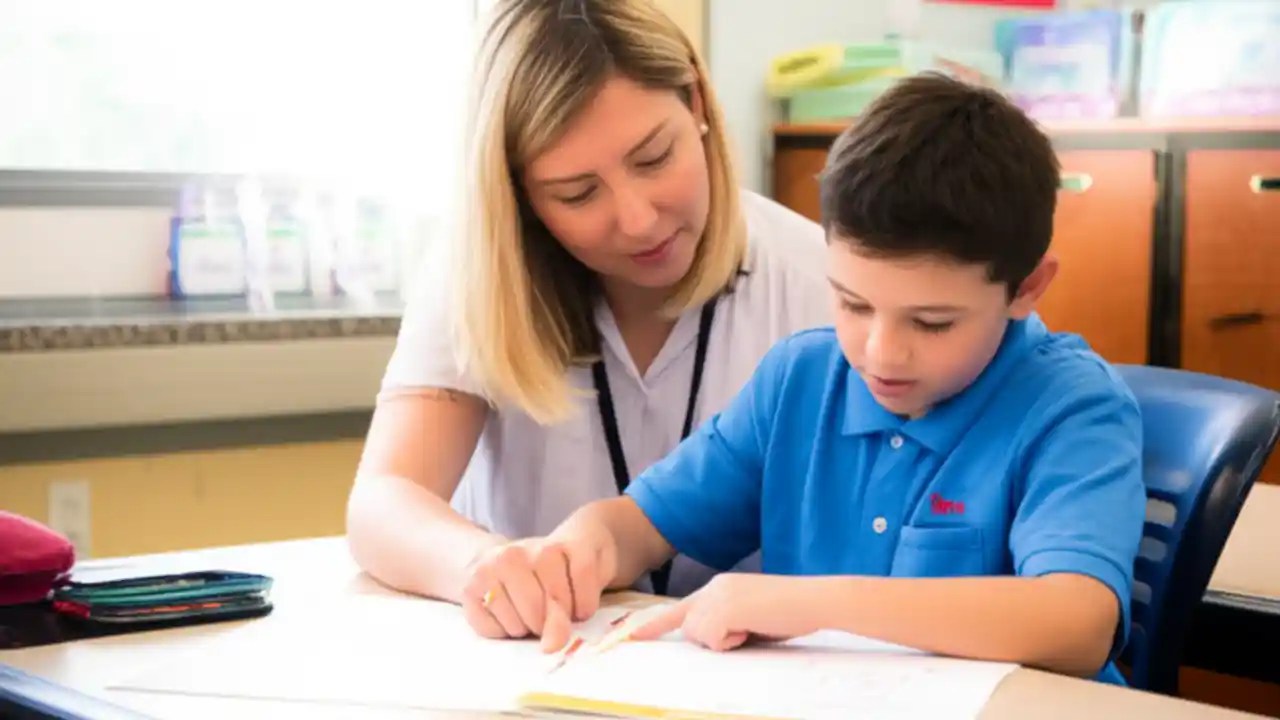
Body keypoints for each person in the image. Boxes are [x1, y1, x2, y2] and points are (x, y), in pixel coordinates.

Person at [472, 72, 1149, 684]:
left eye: (933, 323)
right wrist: (574, 551)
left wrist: (812, 602)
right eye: (853, 304)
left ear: (1027, 287)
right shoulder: (802, 378)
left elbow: (1077, 623)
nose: (881, 354)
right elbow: (640, 525)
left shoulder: (1073, 408)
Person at [344, 0, 832, 641]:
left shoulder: (820, 282)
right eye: (577, 193)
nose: (637, 219)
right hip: (538, 663)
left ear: (698, 105)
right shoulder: (479, 276)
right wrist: (481, 565)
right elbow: (383, 503)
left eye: (654, 158)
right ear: (519, 196)